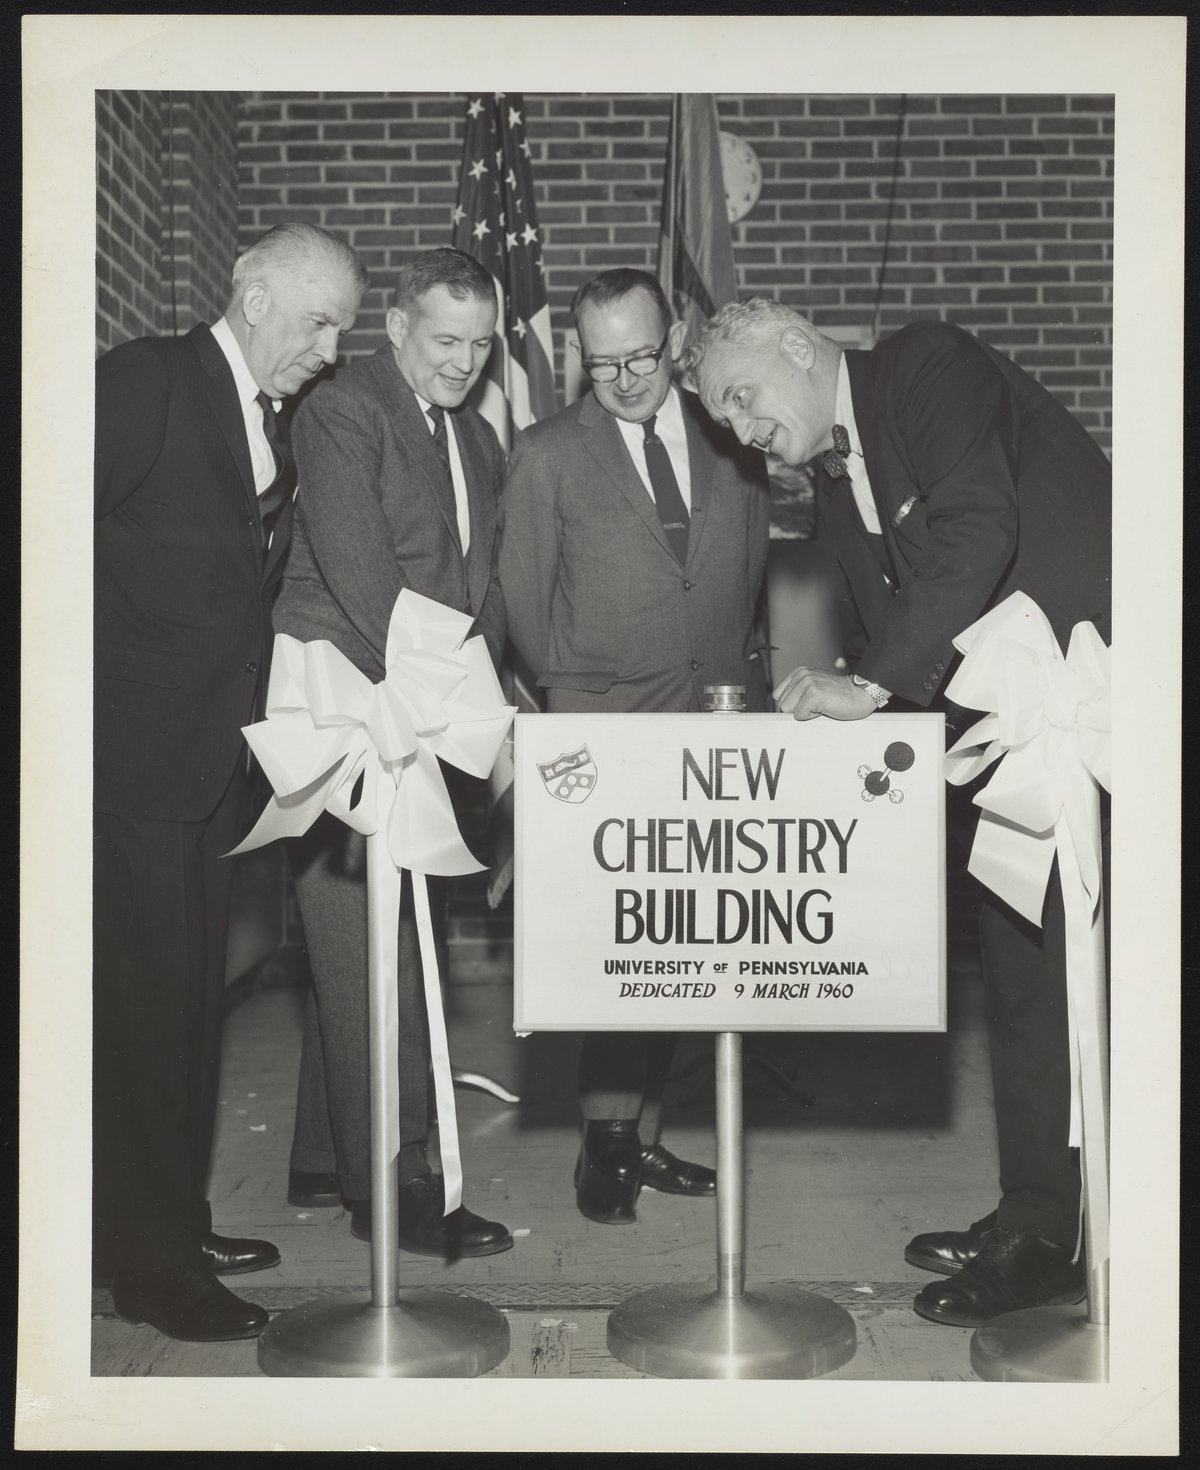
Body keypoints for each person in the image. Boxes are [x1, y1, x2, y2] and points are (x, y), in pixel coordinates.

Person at [682, 298, 1111, 1327]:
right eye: (722, 422)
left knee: (1103, 986)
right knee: (1024, 980)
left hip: (1098, 712)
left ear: (796, 343)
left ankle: (1095, 1227)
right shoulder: (835, 484)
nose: (741, 430)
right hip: (1006, 747)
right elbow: (897, 643)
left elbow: (978, 525)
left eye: (741, 397)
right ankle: (1042, 1220)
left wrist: (866, 688)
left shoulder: (924, 366)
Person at [94, 222, 367, 1341]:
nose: (330, 348)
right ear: (253, 298)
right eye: (318, 321)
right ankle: (151, 1274)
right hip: (129, 763)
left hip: (210, 770)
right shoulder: (149, 380)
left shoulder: (274, 427)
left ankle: (167, 1220)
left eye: (343, 329)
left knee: (181, 1020)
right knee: (145, 1021)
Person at [499, 269, 772, 1223]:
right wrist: (589, 693)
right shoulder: (545, 455)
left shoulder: (730, 438)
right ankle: (605, 1145)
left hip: (719, 729)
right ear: (578, 356)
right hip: (604, 729)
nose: (622, 379)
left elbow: (744, 584)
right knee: (618, 951)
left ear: (679, 336)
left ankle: (648, 1135)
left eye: (643, 358)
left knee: (694, 947)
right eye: (602, 361)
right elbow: (527, 613)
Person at [274, 247, 512, 1259]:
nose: (463, 363)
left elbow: (474, 584)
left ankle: (326, 1157)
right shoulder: (344, 408)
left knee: (374, 942)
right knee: (372, 949)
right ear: (399, 330)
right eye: (445, 341)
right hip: (349, 705)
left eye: (482, 345)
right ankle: (396, 1185)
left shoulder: (477, 441)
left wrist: (500, 698)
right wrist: (456, 707)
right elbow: (365, 580)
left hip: (420, 697)